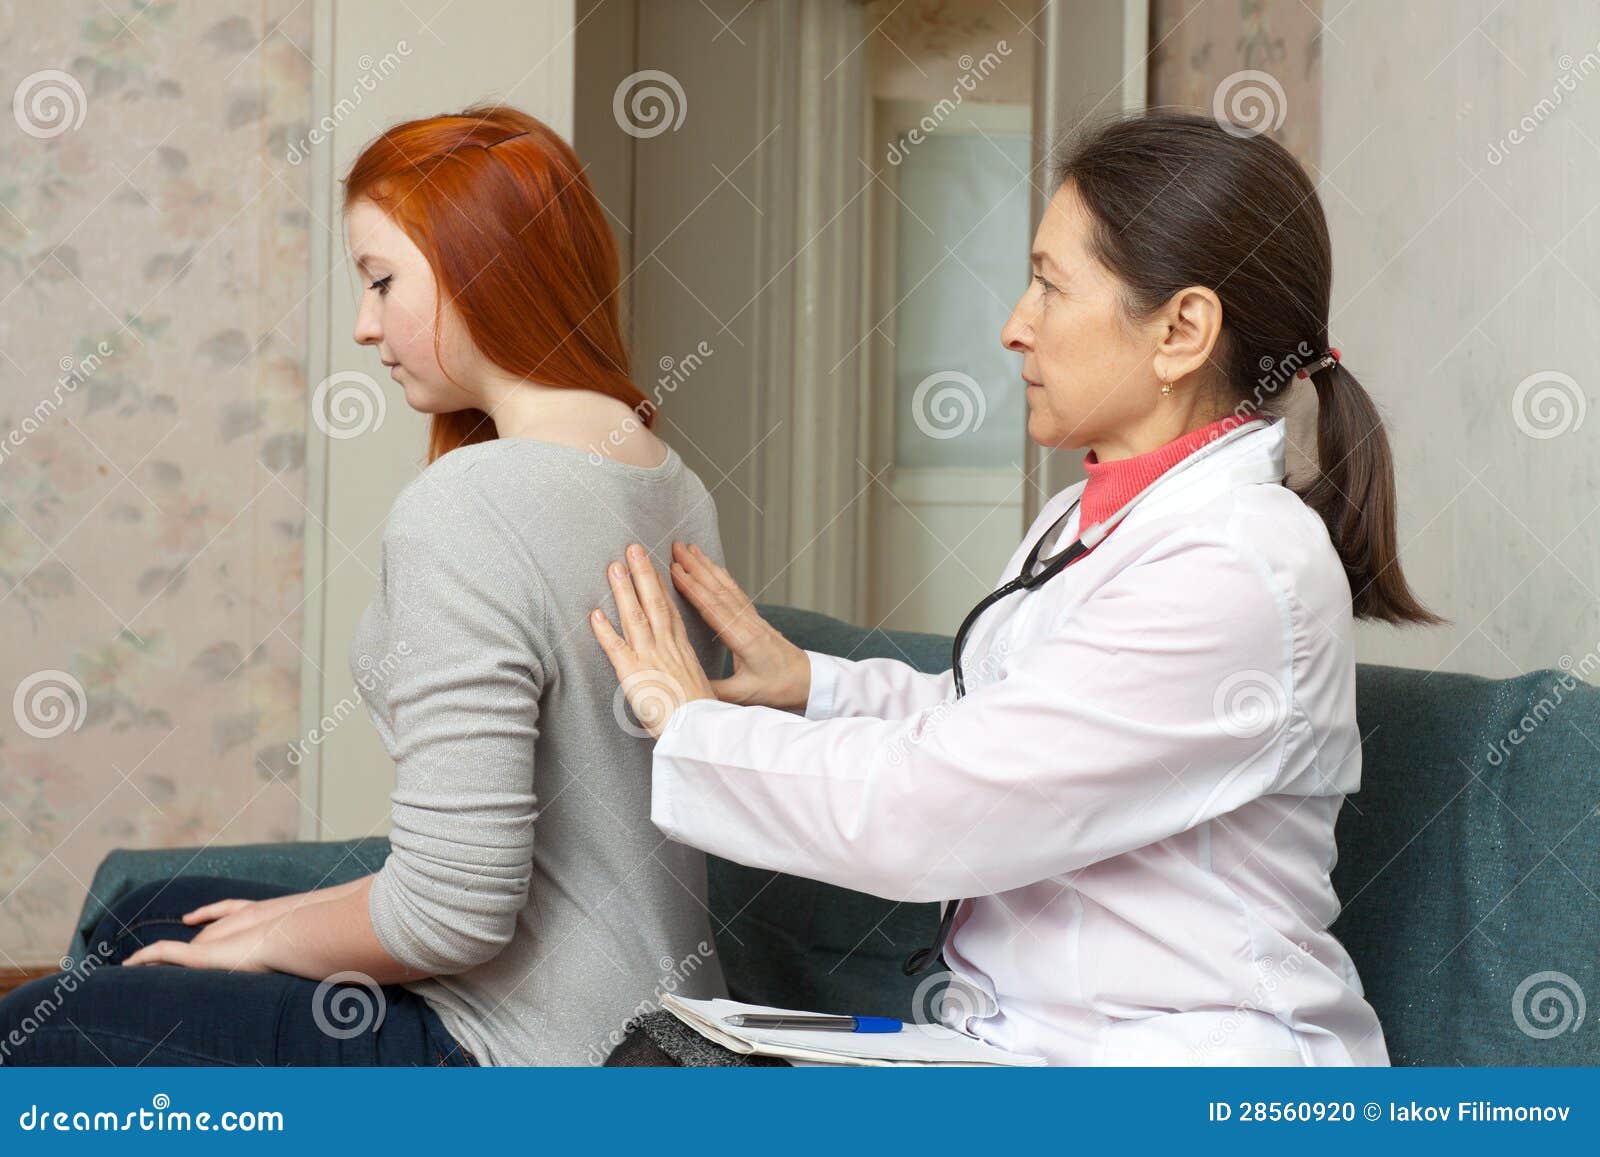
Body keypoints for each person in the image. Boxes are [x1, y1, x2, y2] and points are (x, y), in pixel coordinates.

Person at [589, 110, 1444, 1067]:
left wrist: (692, 724)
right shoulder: (1087, 516)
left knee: (664, 1081)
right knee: (665, 1057)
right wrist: (813, 685)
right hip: (1029, 1047)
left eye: (1049, 283)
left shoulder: (1239, 568)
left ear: (1182, 329)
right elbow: (1009, 719)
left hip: (1182, 1067)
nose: (1013, 325)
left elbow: (937, 805)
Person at [0, 104, 727, 1066]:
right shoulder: (669, 479)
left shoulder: (471, 501)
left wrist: (262, 939)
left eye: (383, 282)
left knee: (34, 1027)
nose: (363, 325)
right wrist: (286, 916)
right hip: (664, 1025)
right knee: (147, 919)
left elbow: (456, 912)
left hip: (534, 1050)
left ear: (484, 267)